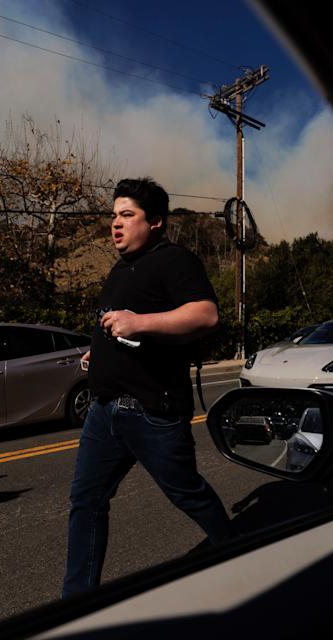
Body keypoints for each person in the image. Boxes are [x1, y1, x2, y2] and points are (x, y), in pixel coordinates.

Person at [62, 177, 234, 597]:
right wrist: (96, 352)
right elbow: (118, 326)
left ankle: (239, 551)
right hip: (103, 413)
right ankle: (77, 603)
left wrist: (138, 321)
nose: (115, 225)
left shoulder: (174, 260)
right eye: (113, 216)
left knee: (189, 494)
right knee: (86, 503)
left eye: (127, 215)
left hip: (151, 411)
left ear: (155, 221)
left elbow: (206, 315)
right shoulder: (120, 270)